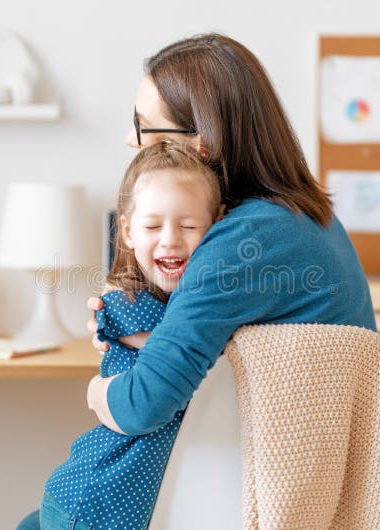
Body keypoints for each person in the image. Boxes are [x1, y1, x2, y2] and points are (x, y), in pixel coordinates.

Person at [85, 33, 376, 439]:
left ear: (201, 144)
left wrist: (97, 391)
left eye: (144, 126)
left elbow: (141, 405)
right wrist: (137, 321)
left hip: (250, 485)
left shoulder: (246, 239)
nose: (131, 141)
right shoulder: (302, 213)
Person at [17, 142, 224, 530]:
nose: (170, 239)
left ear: (218, 227)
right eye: (152, 226)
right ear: (127, 232)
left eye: (190, 225)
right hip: (95, 501)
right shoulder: (127, 300)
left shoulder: (188, 304)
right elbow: (187, 355)